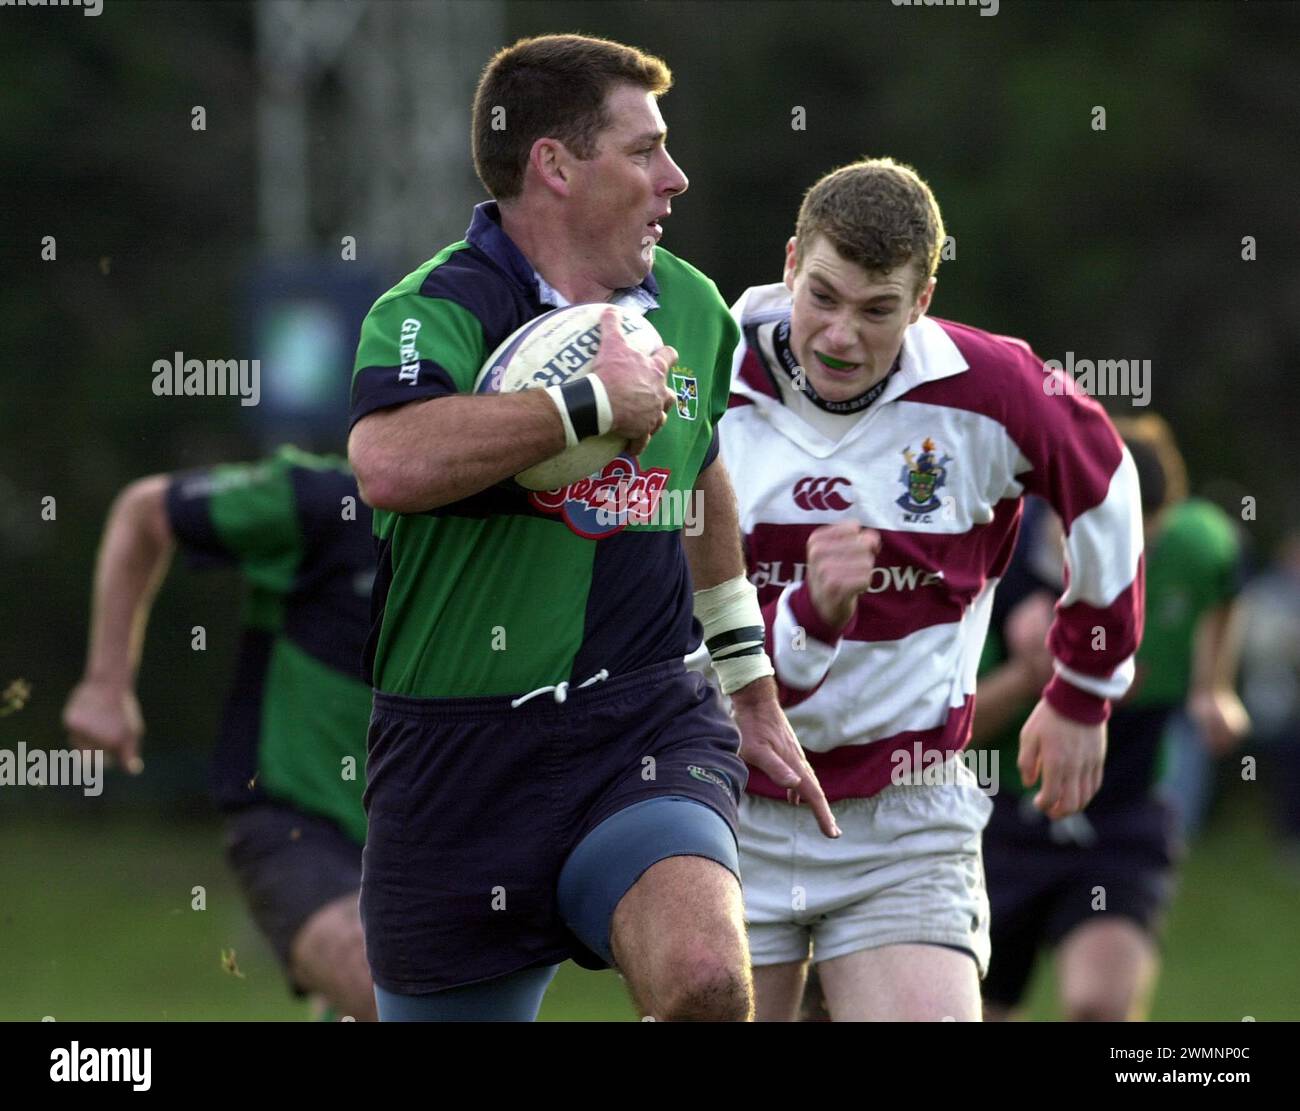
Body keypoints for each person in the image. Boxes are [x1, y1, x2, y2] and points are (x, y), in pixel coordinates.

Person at [346, 33, 833, 1023]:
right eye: (645, 150)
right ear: (554, 167)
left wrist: (745, 680)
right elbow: (389, 464)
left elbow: (700, 472)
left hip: (641, 725)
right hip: (455, 760)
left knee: (704, 980)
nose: (675, 177)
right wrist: (579, 407)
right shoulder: (436, 305)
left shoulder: (691, 306)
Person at [717, 157, 1144, 1021]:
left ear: (921, 300)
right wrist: (808, 616)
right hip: (724, 796)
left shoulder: (990, 390)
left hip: (904, 808)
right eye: (824, 297)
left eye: (878, 310)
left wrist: (1084, 689)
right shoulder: (697, 377)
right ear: (791, 263)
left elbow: (1107, 483)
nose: (842, 335)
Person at [62, 445, 378, 1020]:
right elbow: (144, 511)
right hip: (294, 816)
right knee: (383, 979)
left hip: (428, 837)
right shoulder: (322, 502)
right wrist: (106, 683)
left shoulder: (519, 544)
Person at [976, 416, 1249, 1021]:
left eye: (1140, 539)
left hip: (1121, 813)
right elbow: (948, 733)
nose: (1122, 558)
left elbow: (1227, 580)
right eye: (1103, 532)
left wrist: (1213, 686)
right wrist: (1027, 677)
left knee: (1100, 1007)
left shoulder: (1194, 544)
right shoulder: (994, 554)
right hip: (996, 820)